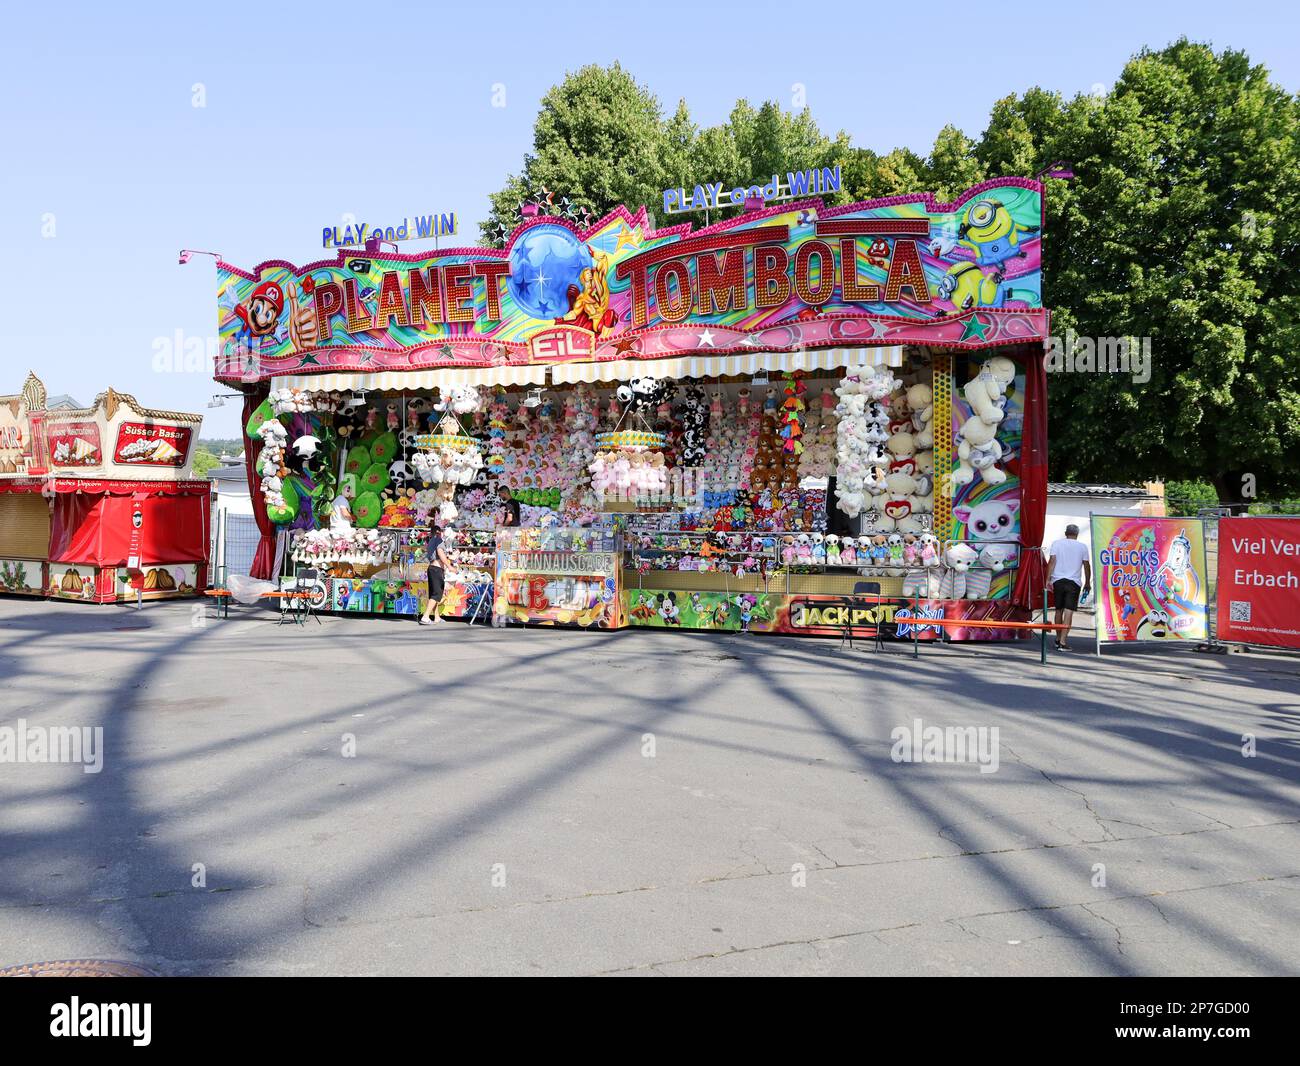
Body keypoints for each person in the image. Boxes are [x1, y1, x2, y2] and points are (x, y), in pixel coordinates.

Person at [1046, 524, 1091, 650]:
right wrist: (1087, 582)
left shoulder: (1056, 544)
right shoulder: (1082, 547)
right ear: (1077, 534)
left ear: (1066, 533)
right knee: (1068, 612)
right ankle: (1063, 642)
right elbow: (1086, 565)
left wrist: (1047, 580)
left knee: (1058, 610)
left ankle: (1057, 637)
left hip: (1058, 581)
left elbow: (1052, 562)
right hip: (1074, 582)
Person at [418, 525, 453, 627]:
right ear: (438, 532)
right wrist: (449, 566)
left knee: (434, 594)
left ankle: (436, 617)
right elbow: (441, 553)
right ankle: (425, 617)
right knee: (436, 594)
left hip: (432, 569)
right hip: (437, 569)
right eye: (439, 532)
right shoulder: (438, 539)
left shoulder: (430, 542)